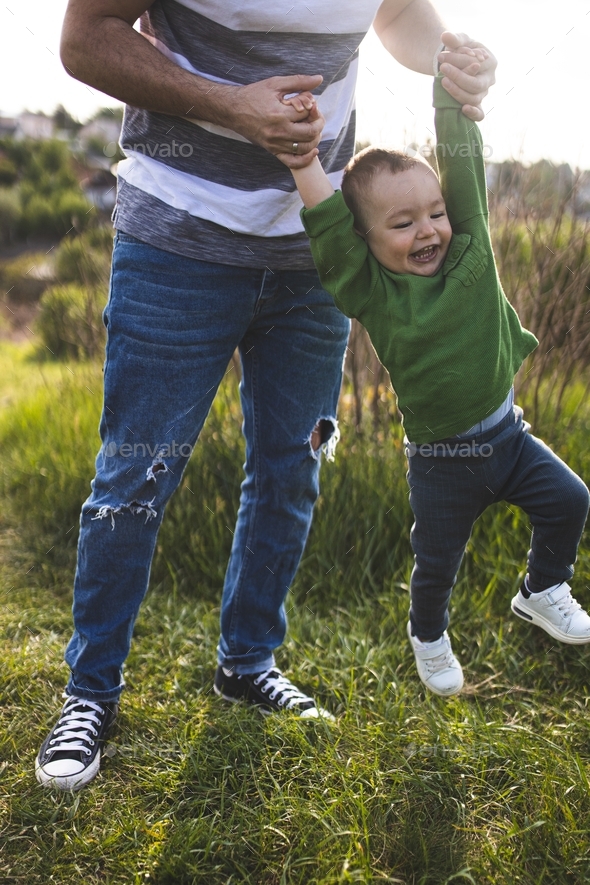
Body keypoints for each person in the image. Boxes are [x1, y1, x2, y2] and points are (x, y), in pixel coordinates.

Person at [36, 0, 498, 791]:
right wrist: (228, 105)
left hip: (320, 249)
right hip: (178, 237)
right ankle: (90, 691)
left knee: (292, 466)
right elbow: (84, 40)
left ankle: (247, 663)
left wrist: (449, 56)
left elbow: (397, 18)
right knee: (138, 471)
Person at [285, 62, 590, 698]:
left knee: (570, 500)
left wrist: (450, 83)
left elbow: (461, 166)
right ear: (367, 242)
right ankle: (428, 636)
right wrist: (303, 160)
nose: (428, 230)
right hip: (441, 462)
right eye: (402, 224)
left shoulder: (470, 244)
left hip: (510, 440)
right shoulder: (369, 290)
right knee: (437, 563)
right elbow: (329, 229)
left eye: (435, 214)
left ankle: (542, 588)